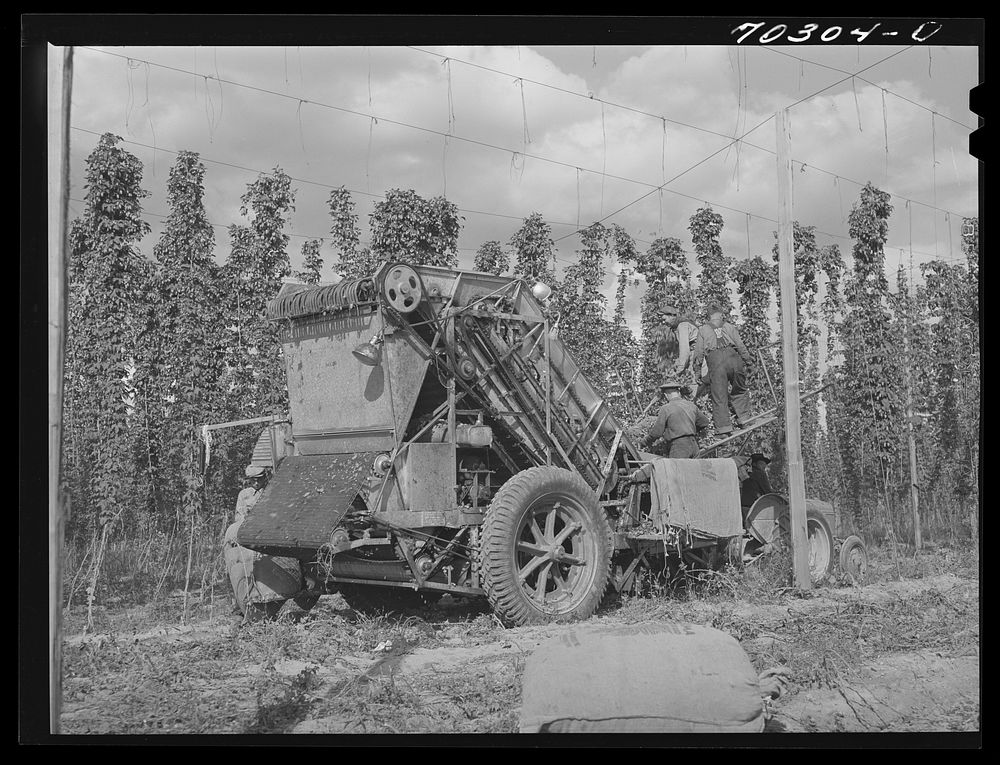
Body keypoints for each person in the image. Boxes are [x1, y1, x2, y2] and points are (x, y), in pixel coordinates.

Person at [691, 306, 753, 436]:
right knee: (740, 389)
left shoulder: (703, 330)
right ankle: (745, 419)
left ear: (709, 317)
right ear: (720, 315)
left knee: (719, 396)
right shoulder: (729, 326)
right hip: (733, 358)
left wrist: (697, 371)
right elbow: (740, 345)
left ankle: (724, 429)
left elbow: (698, 354)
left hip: (716, 362)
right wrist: (749, 362)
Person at [639, 378, 710, 459]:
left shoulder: (666, 408)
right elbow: (704, 422)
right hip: (694, 445)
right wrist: (690, 430)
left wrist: (643, 442)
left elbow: (657, 433)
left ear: (666, 395)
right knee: (695, 471)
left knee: (676, 471)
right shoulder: (691, 405)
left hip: (679, 447)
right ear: (678, 393)